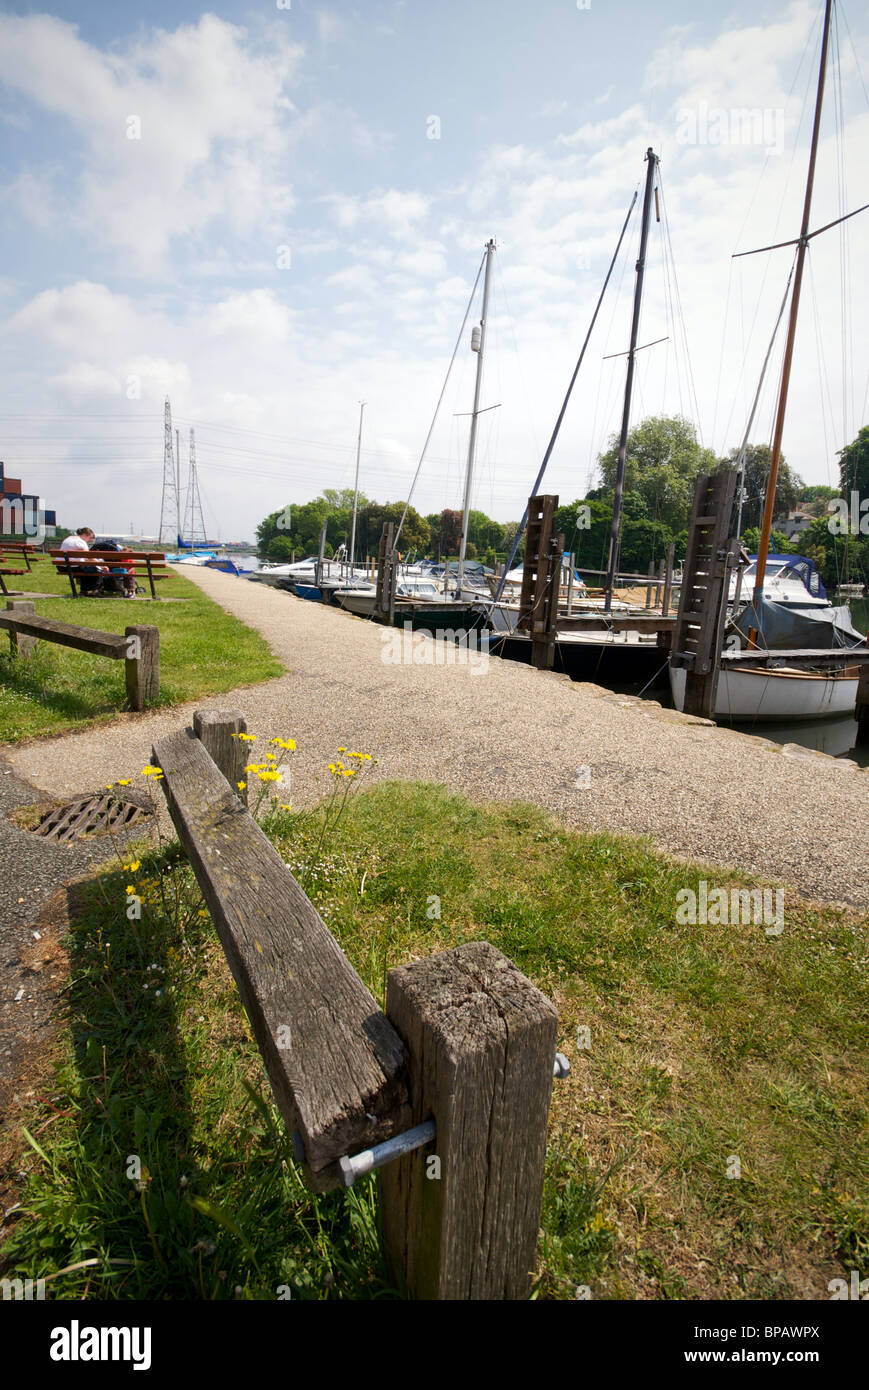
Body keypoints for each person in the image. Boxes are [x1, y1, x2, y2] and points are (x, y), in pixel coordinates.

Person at [60, 527, 107, 595]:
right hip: (74, 567)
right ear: (85, 535)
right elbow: (89, 557)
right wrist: (101, 566)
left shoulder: (68, 539)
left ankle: (84, 591)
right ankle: (95, 591)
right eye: (90, 538)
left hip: (61, 567)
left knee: (86, 569)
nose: (89, 540)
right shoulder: (81, 542)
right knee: (97, 569)